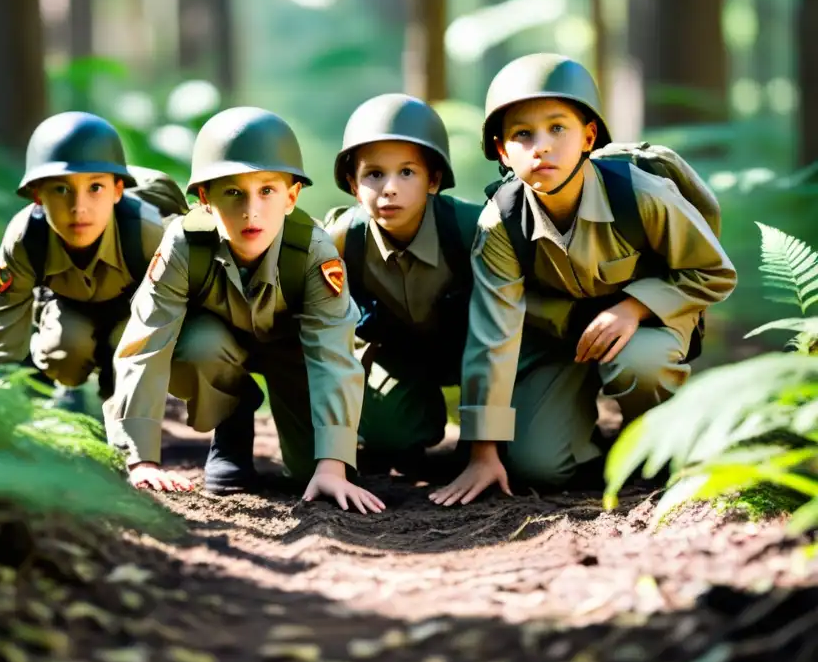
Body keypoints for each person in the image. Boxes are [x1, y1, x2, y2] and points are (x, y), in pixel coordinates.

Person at [431, 53, 738, 506]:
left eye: (558, 128)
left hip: (645, 329)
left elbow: (714, 272)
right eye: (522, 134)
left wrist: (634, 307)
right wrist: (482, 451)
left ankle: (660, 447)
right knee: (538, 467)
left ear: (588, 136)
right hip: (561, 338)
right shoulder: (501, 224)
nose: (542, 146)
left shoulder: (641, 195)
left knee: (642, 362)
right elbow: (492, 334)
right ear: (502, 151)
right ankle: (603, 452)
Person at [104, 106, 386, 514]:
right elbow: (146, 341)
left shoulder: (313, 251)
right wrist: (140, 457)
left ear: (292, 197)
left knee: (314, 469)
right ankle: (232, 426)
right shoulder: (184, 244)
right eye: (233, 192)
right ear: (204, 198)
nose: (250, 210)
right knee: (197, 346)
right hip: (218, 348)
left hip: (295, 357)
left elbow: (333, 356)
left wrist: (332, 463)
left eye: (267, 191)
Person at [0, 111, 178, 404]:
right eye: (61, 189)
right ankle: (71, 387)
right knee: (62, 352)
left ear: (118, 191)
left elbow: (182, 307)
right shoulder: (27, 238)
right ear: (38, 196)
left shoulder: (148, 232)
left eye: (95, 188)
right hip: (69, 306)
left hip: (136, 312)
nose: (78, 207)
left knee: (130, 355)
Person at [324, 93, 483, 476]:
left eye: (407, 172)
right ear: (352, 184)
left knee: (525, 453)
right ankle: (413, 421)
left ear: (434, 179)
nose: (389, 188)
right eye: (374, 174)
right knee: (386, 436)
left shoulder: (470, 228)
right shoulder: (345, 238)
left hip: (476, 351)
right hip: (401, 355)